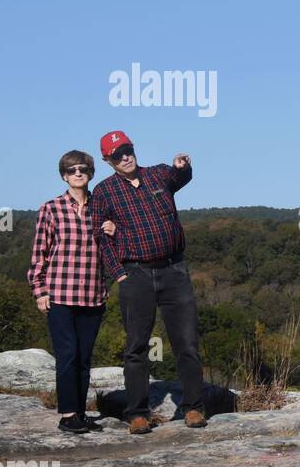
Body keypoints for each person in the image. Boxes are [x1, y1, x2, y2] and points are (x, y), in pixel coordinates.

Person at [90, 130, 207, 434]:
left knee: (187, 342)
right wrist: (119, 273)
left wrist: (182, 166)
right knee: (136, 347)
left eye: (127, 150)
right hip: (136, 274)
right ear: (107, 160)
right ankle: (137, 413)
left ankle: (194, 407)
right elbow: (100, 237)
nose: (125, 156)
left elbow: (180, 178)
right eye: (117, 154)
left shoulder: (158, 174)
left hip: (173, 271)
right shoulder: (105, 191)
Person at [28, 151, 113, 434]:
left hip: (92, 294)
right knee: (68, 355)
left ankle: (80, 412)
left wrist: (114, 229)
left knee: (85, 358)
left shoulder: (101, 209)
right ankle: (67, 415)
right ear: (64, 175)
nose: (78, 173)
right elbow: (39, 254)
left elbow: (113, 250)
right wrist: (39, 290)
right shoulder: (50, 209)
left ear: (90, 173)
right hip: (60, 295)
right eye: (72, 170)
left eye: (83, 169)